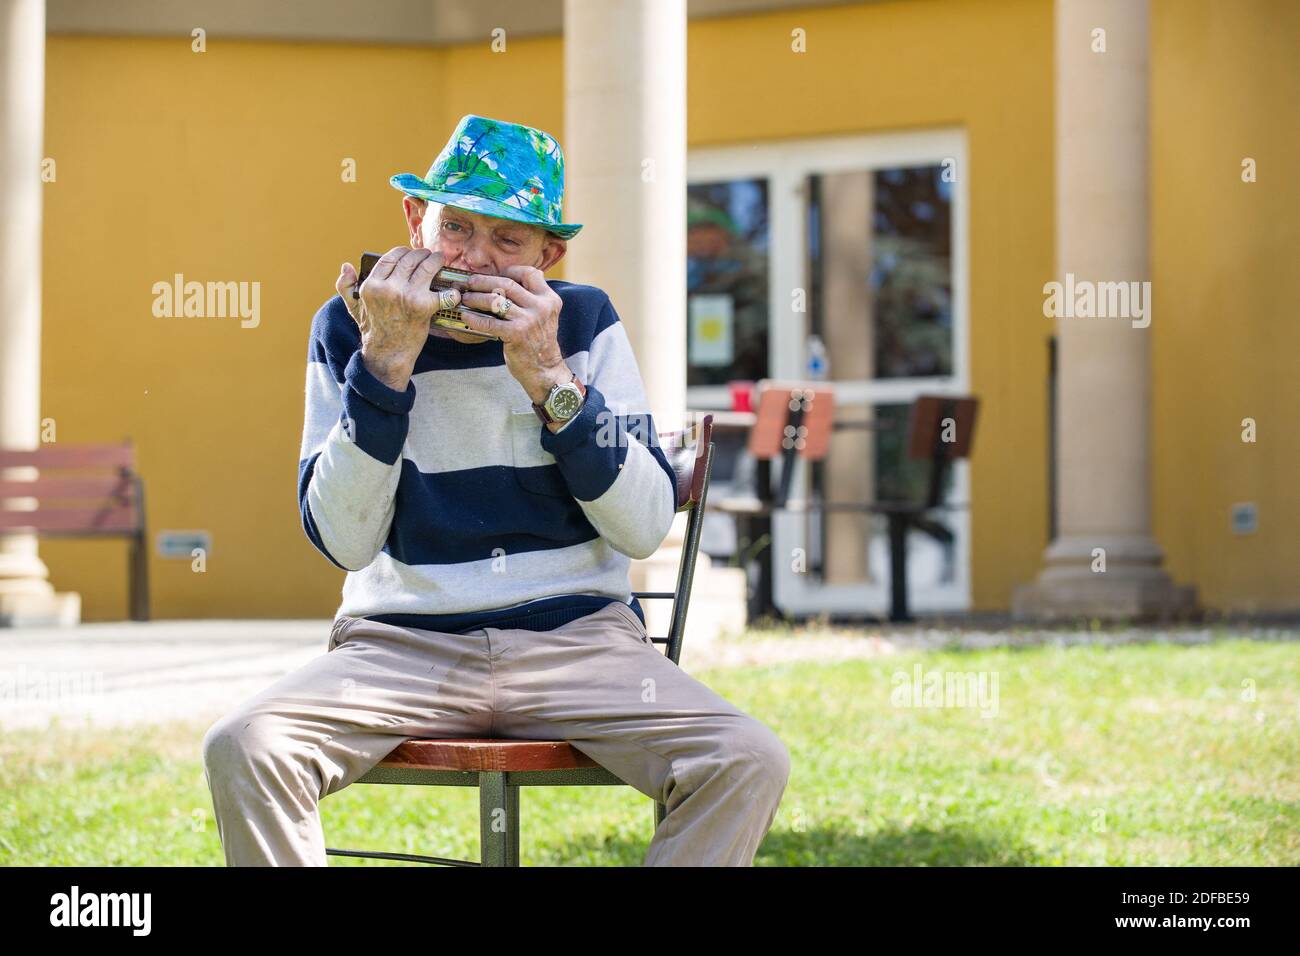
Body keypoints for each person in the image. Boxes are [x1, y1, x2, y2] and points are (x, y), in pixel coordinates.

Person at [201, 114, 790, 866]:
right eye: (456, 228)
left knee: (745, 758)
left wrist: (550, 377)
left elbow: (644, 527)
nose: (475, 261)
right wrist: (383, 367)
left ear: (551, 253)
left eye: (507, 241)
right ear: (415, 220)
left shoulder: (584, 321)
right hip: (399, 647)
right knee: (246, 746)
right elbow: (345, 541)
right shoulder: (350, 329)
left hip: (580, 645)